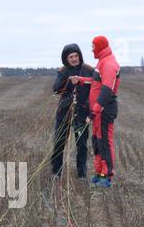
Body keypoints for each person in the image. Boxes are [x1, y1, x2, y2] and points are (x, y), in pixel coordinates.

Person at [49, 43, 93, 179]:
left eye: (76, 56)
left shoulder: (89, 70)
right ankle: (56, 172)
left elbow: (95, 89)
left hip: (81, 113)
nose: (74, 59)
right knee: (59, 142)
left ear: (79, 55)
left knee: (82, 144)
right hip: (64, 112)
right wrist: (68, 81)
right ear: (66, 59)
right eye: (71, 57)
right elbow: (56, 89)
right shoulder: (62, 71)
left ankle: (81, 174)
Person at [88, 35, 120, 187]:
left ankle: (106, 176)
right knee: (97, 142)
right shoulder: (101, 62)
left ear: (100, 46)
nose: (92, 49)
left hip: (104, 111)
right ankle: (99, 172)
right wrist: (80, 79)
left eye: (93, 46)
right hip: (98, 112)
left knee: (105, 142)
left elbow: (106, 91)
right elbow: (95, 82)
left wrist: (94, 111)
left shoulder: (109, 64)